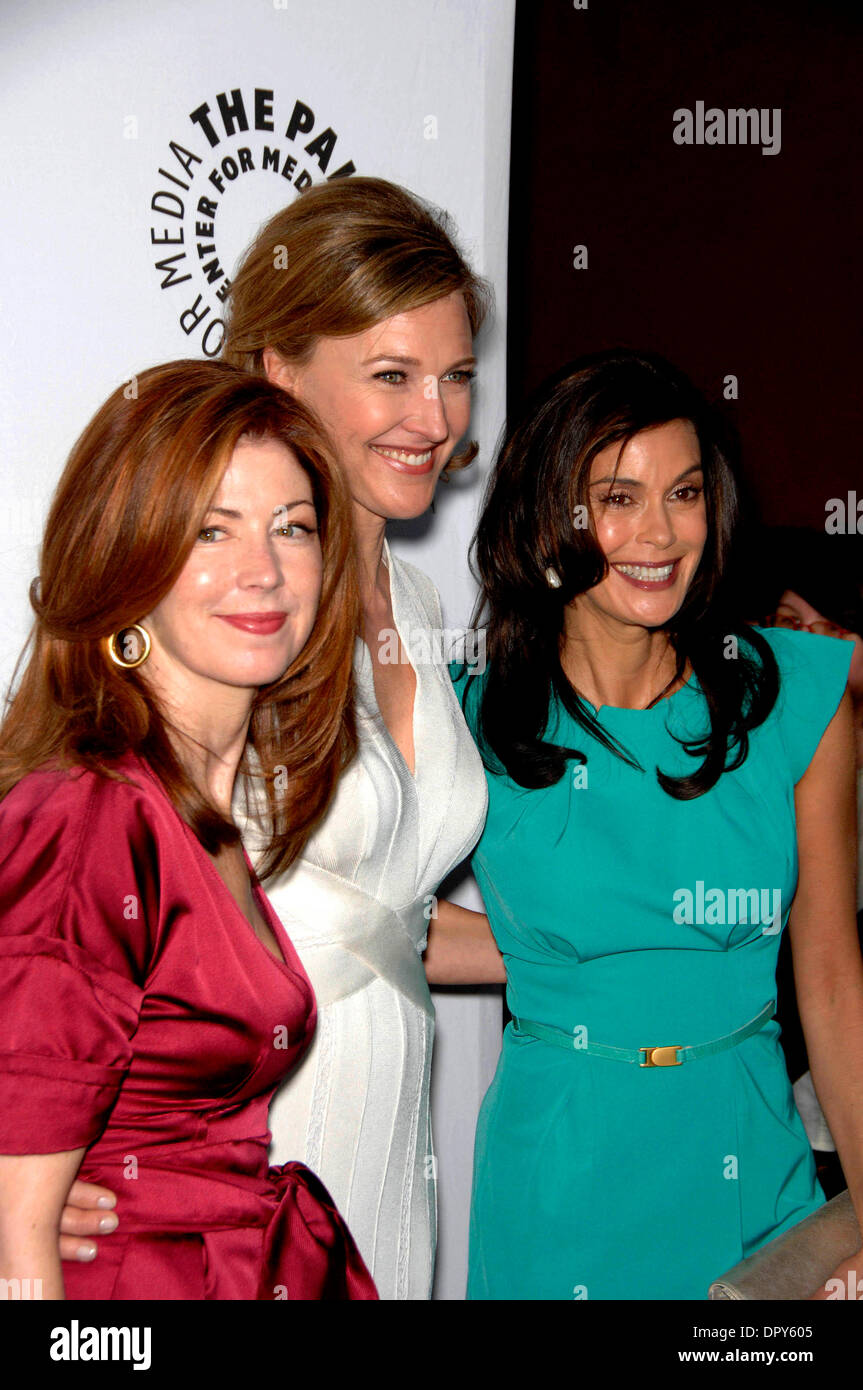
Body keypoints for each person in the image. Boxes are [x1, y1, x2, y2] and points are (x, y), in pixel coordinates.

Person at [60, 178, 503, 1299]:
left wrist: (630, 959)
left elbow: (374, 911)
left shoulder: (408, 593)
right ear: (279, 371)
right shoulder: (214, 596)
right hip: (232, 1159)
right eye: (391, 376)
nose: (437, 419)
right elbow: (58, 866)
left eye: (454, 377)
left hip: (391, 1149)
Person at [450, 349, 863, 1300]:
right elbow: (368, 922)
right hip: (558, 1180)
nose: (659, 532)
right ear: (553, 514)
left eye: (682, 493)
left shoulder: (793, 698)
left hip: (750, 1171)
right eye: (617, 496)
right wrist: (548, 956)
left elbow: (833, 981)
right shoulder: (474, 722)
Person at [0, 359, 378, 1299]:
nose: (264, 569)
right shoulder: (91, 817)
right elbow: (17, 1250)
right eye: (212, 530)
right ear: (128, 557)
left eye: (292, 528)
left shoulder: (196, 818)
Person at [751, 527, 863, 1195]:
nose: (805, 646)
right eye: (789, 624)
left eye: (832, 629)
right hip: (780, 1103)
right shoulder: (748, 766)